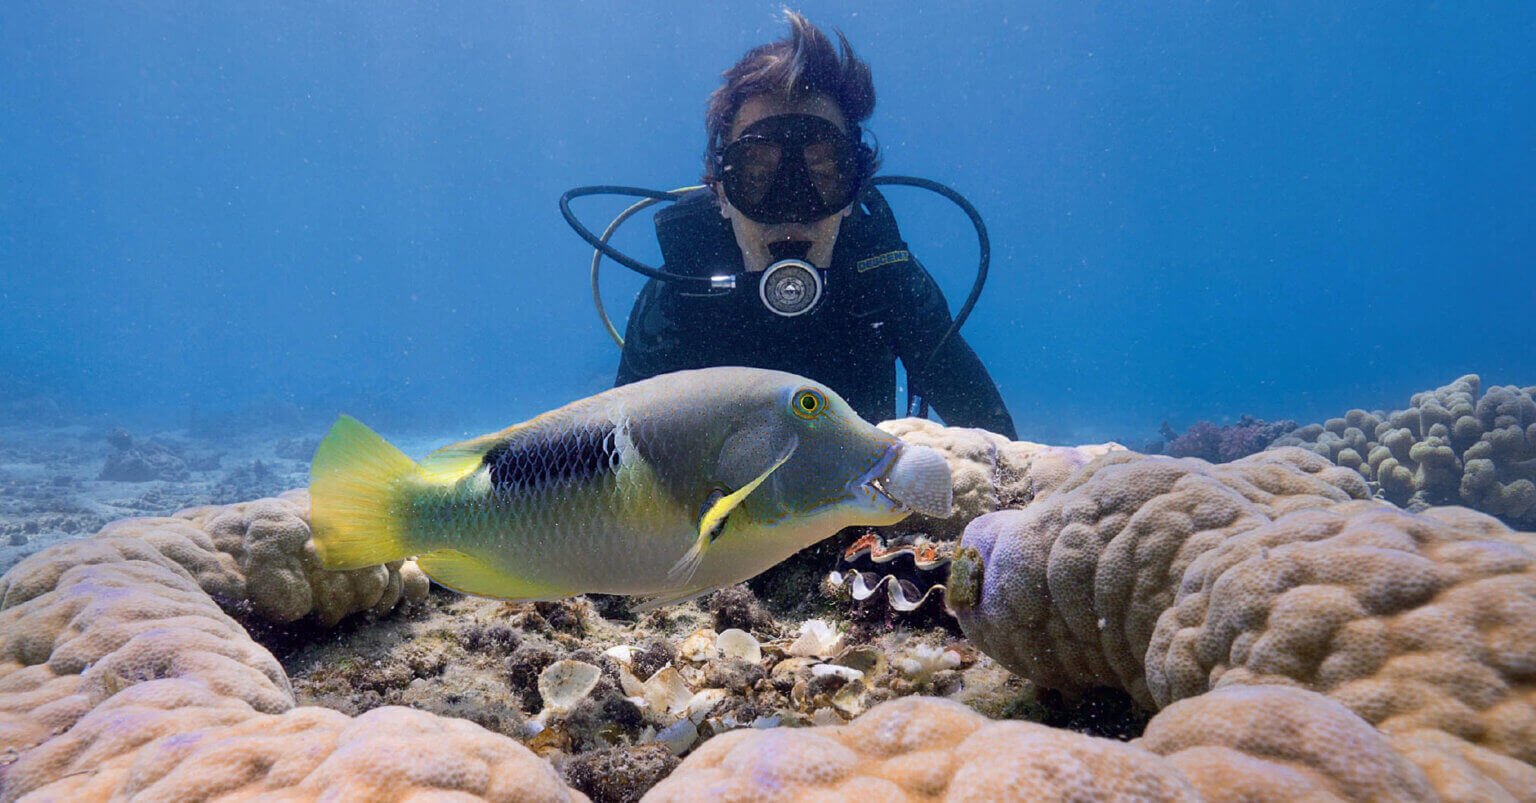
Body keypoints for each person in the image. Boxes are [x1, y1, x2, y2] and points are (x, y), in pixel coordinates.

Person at [614, 12, 1017, 439]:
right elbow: (616, 461)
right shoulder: (680, 292)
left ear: (855, 191)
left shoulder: (885, 278)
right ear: (721, 193)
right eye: (757, 174)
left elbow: (997, 443)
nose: (793, 207)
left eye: (824, 173)